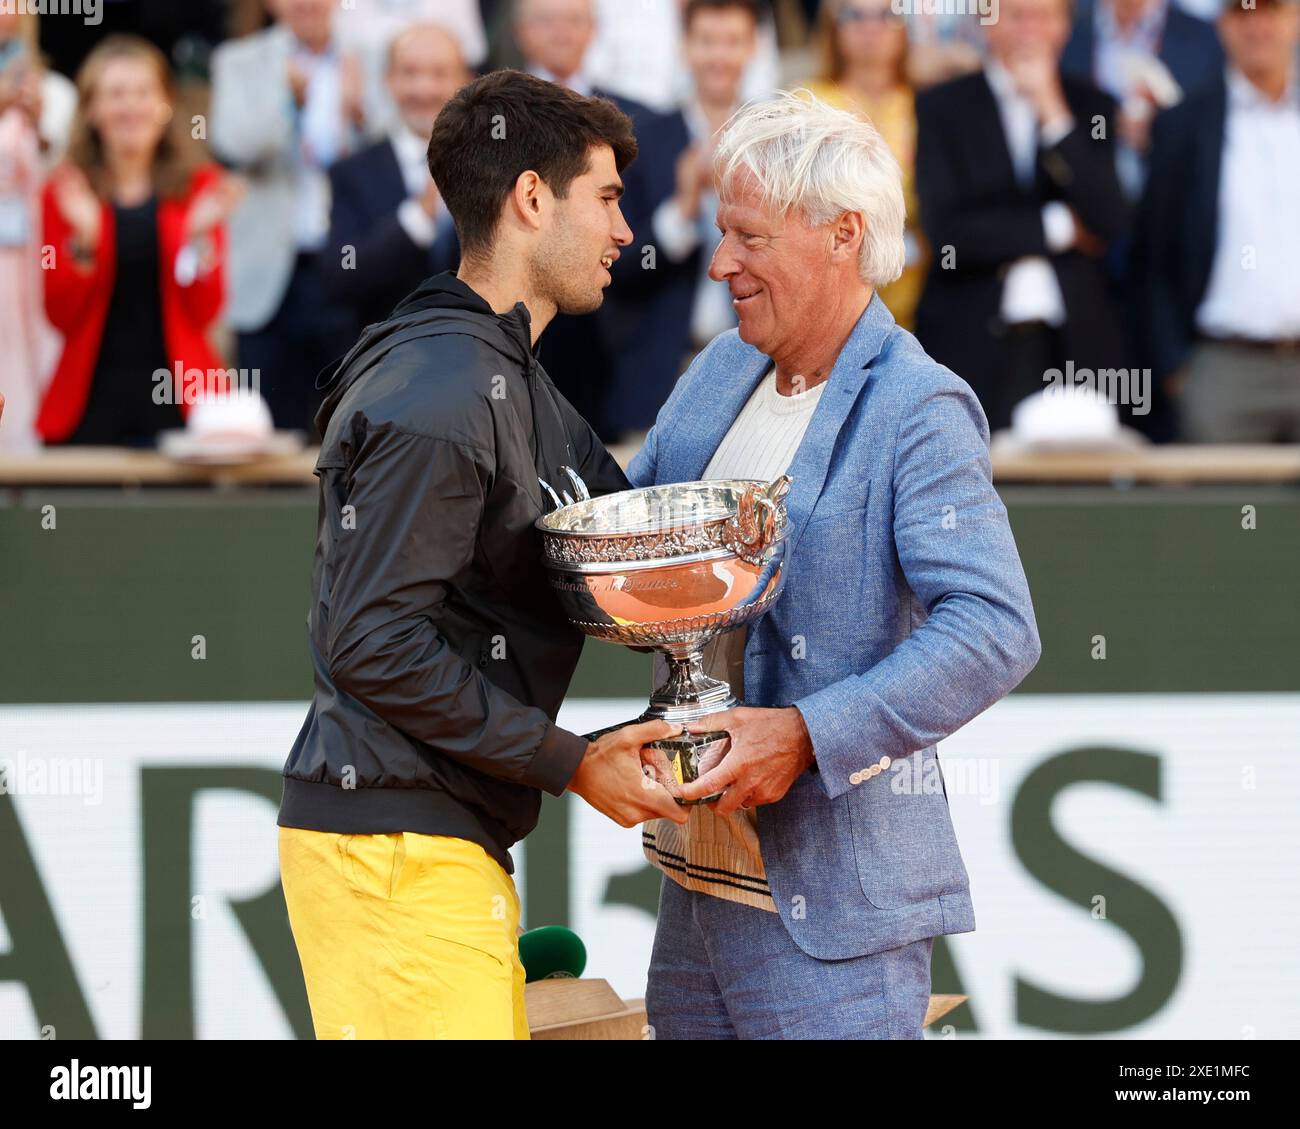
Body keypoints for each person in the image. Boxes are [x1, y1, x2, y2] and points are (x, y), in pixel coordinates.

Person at [277, 70, 688, 1042]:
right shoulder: (442, 390)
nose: (625, 233)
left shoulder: (516, 384)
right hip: (393, 852)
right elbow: (369, 641)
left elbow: (647, 564)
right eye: (608, 198)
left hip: (443, 849)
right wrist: (574, 763)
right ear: (532, 199)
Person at [630, 91, 1040, 1040]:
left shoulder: (918, 404)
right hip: (694, 887)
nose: (722, 261)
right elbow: (628, 532)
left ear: (842, 235)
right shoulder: (718, 369)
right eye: (720, 232)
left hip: (836, 913)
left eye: (749, 236)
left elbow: (995, 627)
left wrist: (807, 734)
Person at [914, 0, 1130, 432]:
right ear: (988, 25)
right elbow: (949, 235)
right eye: (1017, 15)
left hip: (1075, 345)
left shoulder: (1092, 106)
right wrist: (1062, 225)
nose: (1030, 29)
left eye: (1044, 16)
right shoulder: (944, 108)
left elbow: (1110, 219)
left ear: (1065, 27)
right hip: (973, 337)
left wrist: (1053, 113)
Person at [36, 35, 238, 447]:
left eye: (143, 93)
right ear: (91, 109)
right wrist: (86, 242)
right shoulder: (65, 190)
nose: (130, 107)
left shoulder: (200, 188)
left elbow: (205, 311)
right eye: (115, 94)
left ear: (164, 104)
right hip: (89, 399)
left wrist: (198, 239)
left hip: (180, 398)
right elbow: (58, 313)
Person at [1134, 0, 1300, 442]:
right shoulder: (1184, 125)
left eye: (1272, 11)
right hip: (1222, 368)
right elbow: (1152, 256)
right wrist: (1176, 368)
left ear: (1295, 19)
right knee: (1220, 510)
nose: (1258, 26)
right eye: (1245, 14)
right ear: (1223, 24)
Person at [600, 0, 760, 442]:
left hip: (757, 368)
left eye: (732, 42)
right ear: (685, 47)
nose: (719, 56)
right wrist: (684, 205)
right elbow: (618, 264)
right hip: (657, 376)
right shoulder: (643, 138)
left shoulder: (772, 138)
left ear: (753, 48)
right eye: (707, 41)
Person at [210, 0, 365, 435]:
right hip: (267, 275)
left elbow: (399, 148)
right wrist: (286, 102)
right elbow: (233, 143)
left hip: (349, 266)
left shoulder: (368, 54)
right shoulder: (239, 60)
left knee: (354, 427)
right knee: (265, 426)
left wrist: (359, 111)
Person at [323, 23, 468, 332]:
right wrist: (418, 217)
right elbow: (341, 278)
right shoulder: (352, 173)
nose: (424, 89)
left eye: (439, 73)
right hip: (386, 360)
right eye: (410, 73)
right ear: (388, 81)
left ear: (464, 81)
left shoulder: (498, 167)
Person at [804, 0, 926, 330]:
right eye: (854, 15)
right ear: (832, 25)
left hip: (918, 294)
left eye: (887, 15)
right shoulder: (808, 103)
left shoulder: (926, 104)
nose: (871, 28)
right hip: (830, 291)